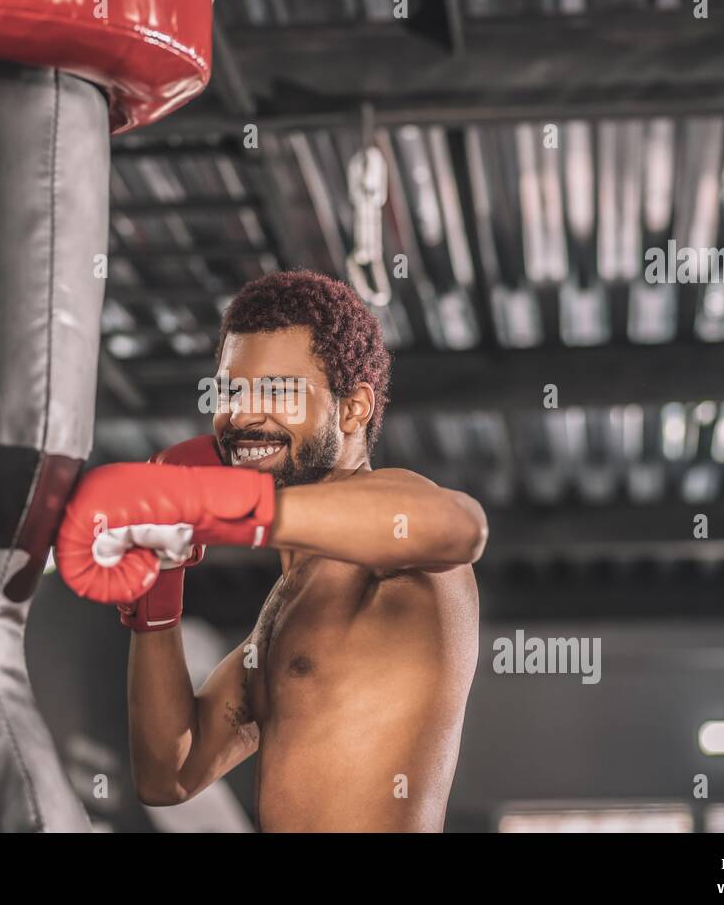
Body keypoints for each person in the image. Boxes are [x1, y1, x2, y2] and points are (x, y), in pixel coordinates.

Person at [52, 270, 487, 831]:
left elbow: (462, 527)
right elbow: (170, 774)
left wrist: (208, 503)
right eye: (231, 391)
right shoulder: (284, 609)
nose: (244, 414)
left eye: (279, 391)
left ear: (353, 409)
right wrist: (156, 585)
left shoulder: (396, 536)